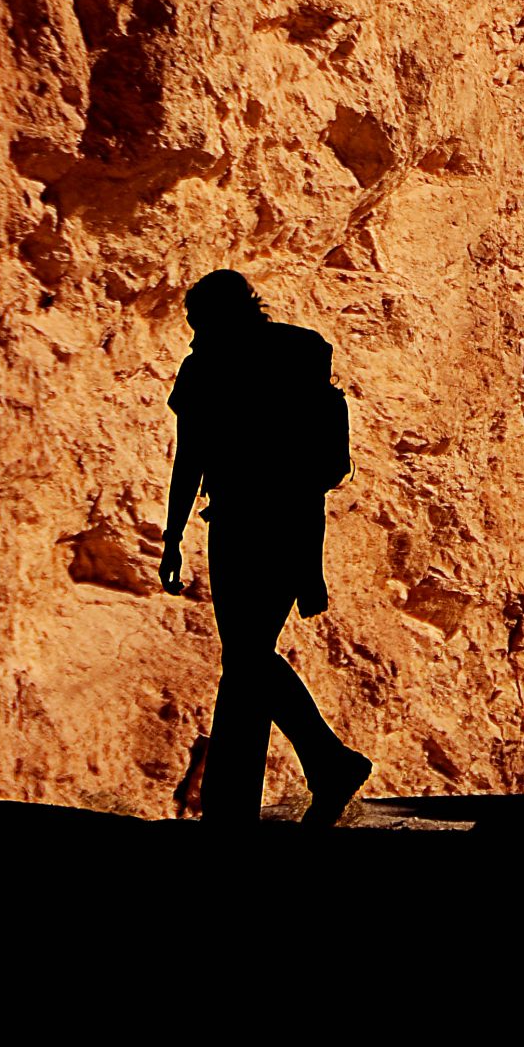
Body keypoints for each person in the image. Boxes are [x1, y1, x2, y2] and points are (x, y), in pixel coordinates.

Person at [162, 269, 372, 825]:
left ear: (217, 316)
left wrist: (173, 535)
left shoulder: (206, 369)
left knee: (247, 657)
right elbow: (313, 473)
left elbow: (190, 459)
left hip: (239, 525)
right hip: (294, 524)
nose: (193, 334)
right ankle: (240, 803)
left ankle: (326, 762)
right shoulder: (297, 355)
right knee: (247, 659)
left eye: (198, 321)